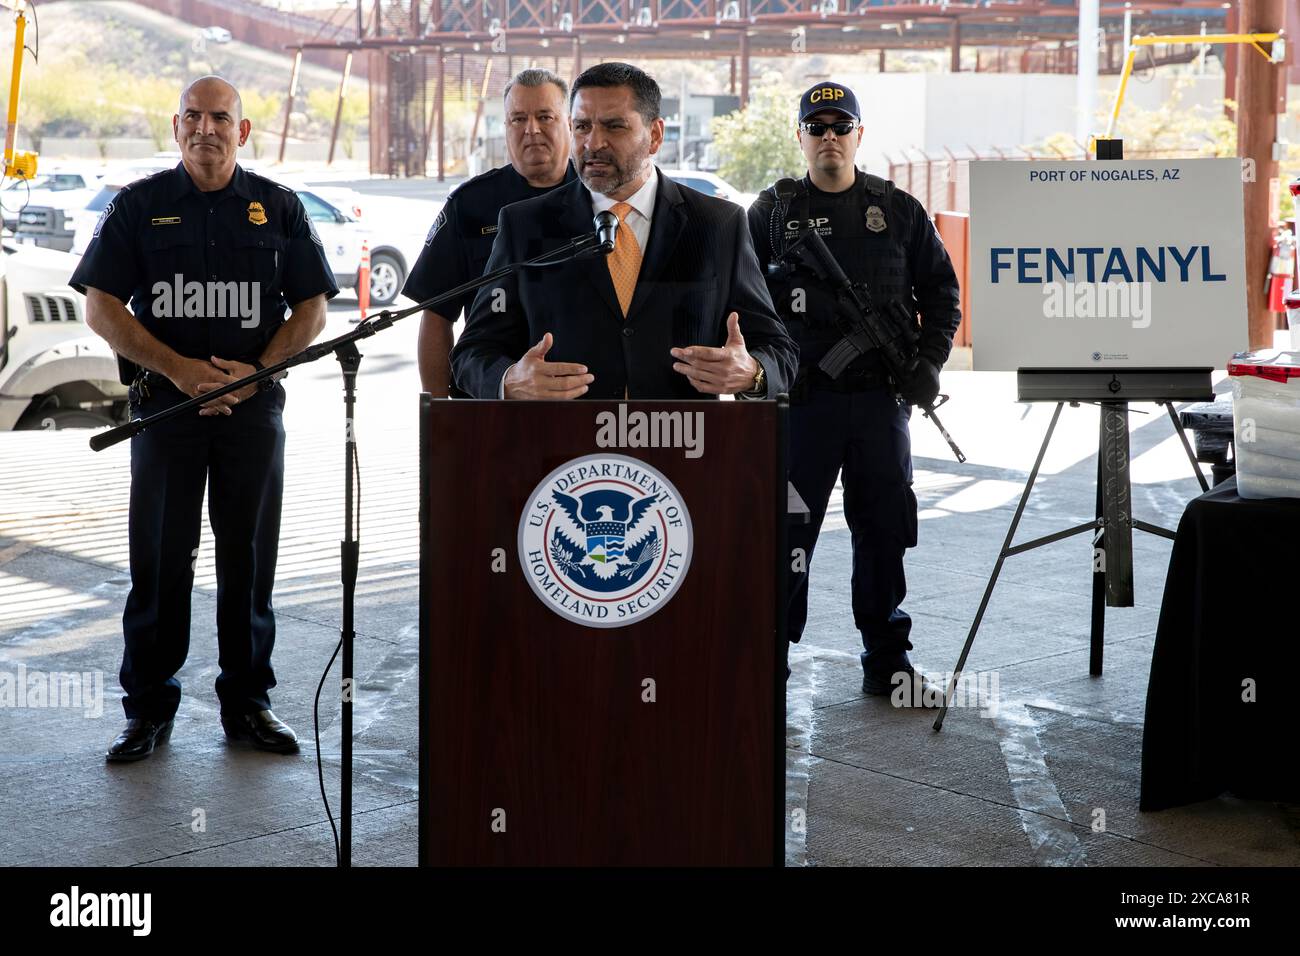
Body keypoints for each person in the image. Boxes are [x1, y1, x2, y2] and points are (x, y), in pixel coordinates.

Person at [71, 76, 337, 760]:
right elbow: (100, 305)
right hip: (167, 412)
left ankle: (248, 706)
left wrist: (258, 373)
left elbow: (311, 307)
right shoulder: (139, 206)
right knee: (160, 561)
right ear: (176, 125)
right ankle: (148, 710)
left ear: (242, 131)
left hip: (252, 414)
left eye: (221, 117)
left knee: (250, 560)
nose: (206, 128)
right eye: (194, 116)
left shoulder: (278, 207)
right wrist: (178, 370)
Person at [747, 82, 960, 704]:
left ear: (860, 136)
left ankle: (888, 663)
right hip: (801, 406)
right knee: (785, 534)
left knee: (885, 529)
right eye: (817, 127)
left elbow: (942, 295)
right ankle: (769, 664)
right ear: (801, 137)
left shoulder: (897, 210)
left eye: (842, 126)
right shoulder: (773, 212)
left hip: (879, 403)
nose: (830, 137)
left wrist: (929, 362)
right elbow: (738, 299)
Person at [450, 61, 796, 401]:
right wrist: (509, 381)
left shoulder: (718, 224)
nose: (593, 143)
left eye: (614, 126)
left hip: (682, 449)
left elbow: (779, 350)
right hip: (561, 449)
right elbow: (472, 352)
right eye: (582, 126)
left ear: (655, 135)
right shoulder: (524, 225)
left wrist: (754, 373)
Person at [404, 68, 578, 396]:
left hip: (582, 397)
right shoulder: (471, 204)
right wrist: (440, 414)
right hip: (492, 396)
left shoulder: (599, 198)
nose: (532, 130)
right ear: (505, 127)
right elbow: (437, 314)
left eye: (545, 116)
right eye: (518, 119)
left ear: (569, 123)